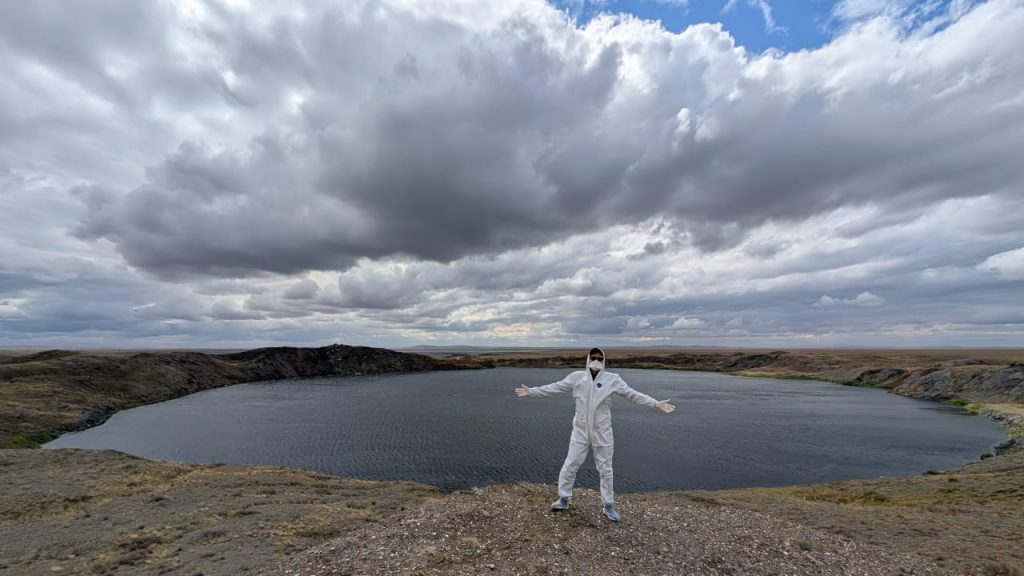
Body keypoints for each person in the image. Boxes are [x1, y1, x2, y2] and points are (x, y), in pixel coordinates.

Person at [515, 347, 676, 521]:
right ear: (588, 358)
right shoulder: (577, 377)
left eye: (600, 358)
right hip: (581, 432)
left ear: (604, 360)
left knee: (605, 470)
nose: (597, 360)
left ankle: (608, 505)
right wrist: (532, 391)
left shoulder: (612, 379)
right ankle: (564, 498)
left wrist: (655, 403)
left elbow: (632, 395)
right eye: (594, 357)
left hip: (602, 433)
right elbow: (556, 387)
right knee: (570, 464)